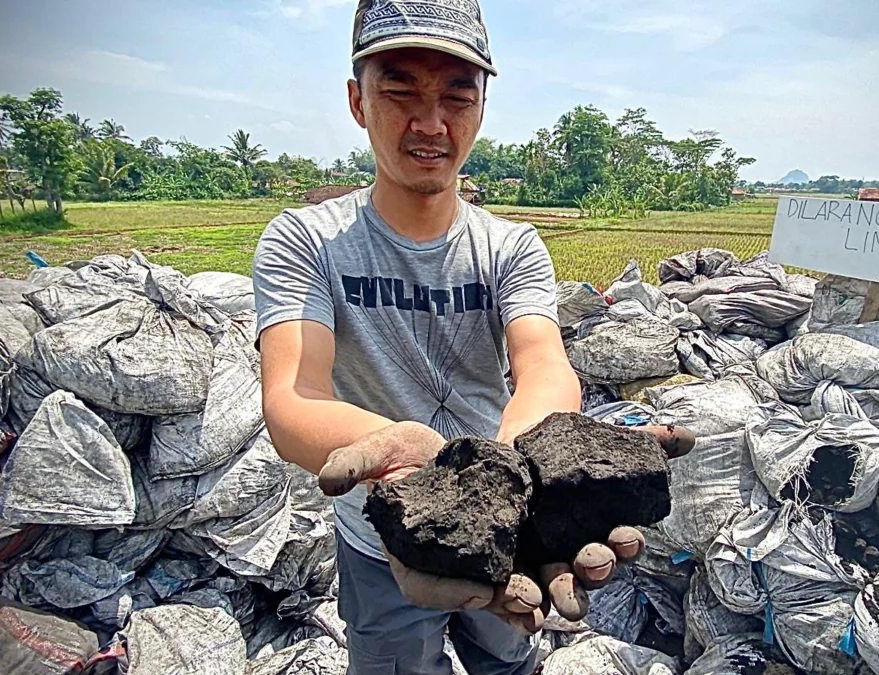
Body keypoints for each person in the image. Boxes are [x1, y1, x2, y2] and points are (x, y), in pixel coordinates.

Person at [252, 2, 691, 673]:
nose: (431, 122)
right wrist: (408, 460)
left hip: (510, 529)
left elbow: (543, 362)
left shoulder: (509, 247)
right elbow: (293, 397)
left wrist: (521, 468)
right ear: (356, 101)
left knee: (509, 658)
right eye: (400, 89)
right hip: (382, 538)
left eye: (457, 93)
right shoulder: (307, 242)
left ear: (482, 106)